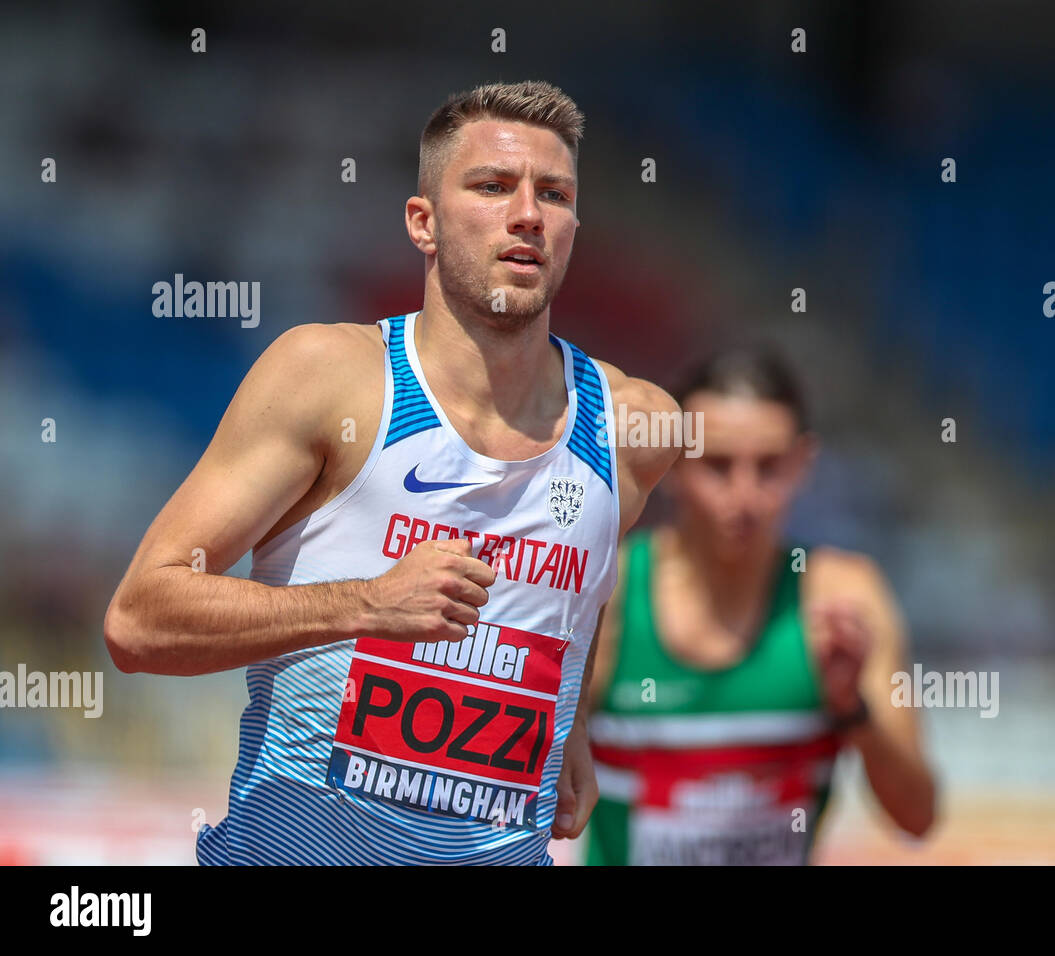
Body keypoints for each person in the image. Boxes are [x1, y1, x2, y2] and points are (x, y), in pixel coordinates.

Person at [103, 80, 680, 865]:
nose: (527, 215)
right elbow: (140, 621)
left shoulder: (635, 427)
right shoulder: (330, 379)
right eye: (491, 186)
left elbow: (587, 585)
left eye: (554, 194)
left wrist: (569, 714)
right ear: (423, 222)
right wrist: (366, 604)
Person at [584, 347, 937, 865]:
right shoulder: (607, 590)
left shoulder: (842, 596)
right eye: (718, 466)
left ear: (803, 464)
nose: (745, 496)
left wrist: (851, 709)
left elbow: (917, 817)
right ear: (672, 463)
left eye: (769, 468)